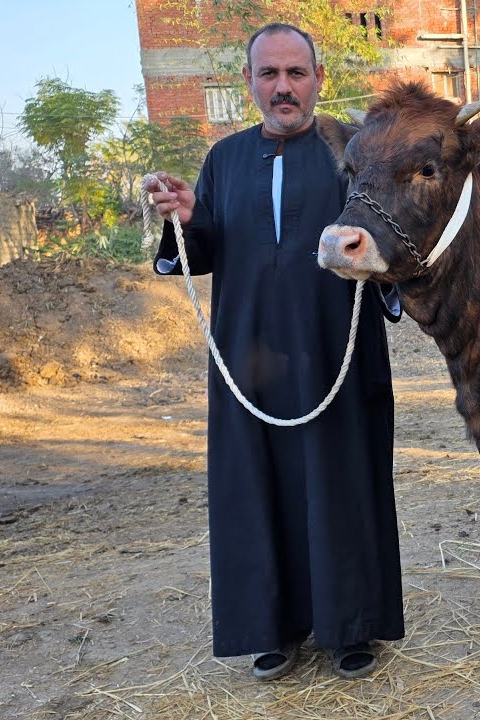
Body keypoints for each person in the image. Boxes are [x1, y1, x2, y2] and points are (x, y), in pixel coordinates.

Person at [143, 22, 404, 682]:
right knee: (255, 485)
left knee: (341, 479)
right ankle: (269, 628)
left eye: (295, 73)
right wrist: (185, 215)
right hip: (249, 356)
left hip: (333, 349)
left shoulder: (354, 151)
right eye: (269, 74)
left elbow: (389, 232)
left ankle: (351, 627)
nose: (283, 86)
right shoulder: (224, 160)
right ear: (249, 83)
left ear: (317, 78)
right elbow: (199, 252)